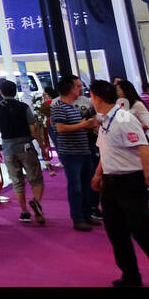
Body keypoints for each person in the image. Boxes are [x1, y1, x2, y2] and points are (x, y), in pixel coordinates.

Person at [89, 80, 149, 287]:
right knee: (116, 233)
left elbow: (143, 147)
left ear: (97, 98)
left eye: (91, 96)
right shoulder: (105, 121)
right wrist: (98, 175)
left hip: (131, 182)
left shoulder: (124, 120)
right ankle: (131, 275)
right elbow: (105, 151)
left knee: (141, 230)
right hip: (110, 183)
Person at [0, 79, 46, 224]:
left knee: (17, 181)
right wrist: (42, 146)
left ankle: (24, 212)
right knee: (36, 178)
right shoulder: (24, 107)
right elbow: (33, 130)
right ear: (15, 92)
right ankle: (36, 203)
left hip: (8, 147)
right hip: (25, 145)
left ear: (1, 92)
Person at [52, 74, 103, 231]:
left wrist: (88, 125)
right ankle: (78, 218)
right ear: (70, 89)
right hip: (71, 153)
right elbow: (60, 128)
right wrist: (83, 125)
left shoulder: (73, 106)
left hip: (83, 150)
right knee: (76, 187)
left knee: (87, 185)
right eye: (77, 86)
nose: (80, 89)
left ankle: (87, 215)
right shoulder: (59, 106)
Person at [118, 79, 149, 219]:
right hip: (127, 146)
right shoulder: (122, 105)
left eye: (118, 89)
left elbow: (148, 124)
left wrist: (133, 129)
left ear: (126, 90)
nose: (116, 92)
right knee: (135, 179)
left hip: (141, 144)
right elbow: (121, 124)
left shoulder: (138, 104)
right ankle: (142, 209)